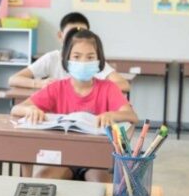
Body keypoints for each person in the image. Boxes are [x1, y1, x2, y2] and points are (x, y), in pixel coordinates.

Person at [11, 29, 138, 182]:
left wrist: (111, 115)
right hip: (62, 158)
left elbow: (131, 116)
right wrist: (30, 109)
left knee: (101, 186)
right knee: (42, 181)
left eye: (90, 57)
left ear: (99, 61)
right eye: (76, 57)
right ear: (67, 59)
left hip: (96, 160)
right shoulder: (56, 88)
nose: (83, 62)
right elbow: (16, 109)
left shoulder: (108, 88)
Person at [8, 12, 130, 93]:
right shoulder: (52, 58)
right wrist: (39, 83)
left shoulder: (92, 61)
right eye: (70, 35)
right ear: (60, 36)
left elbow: (123, 84)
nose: (76, 40)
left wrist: (91, 88)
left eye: (82, 34)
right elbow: (14, 79)